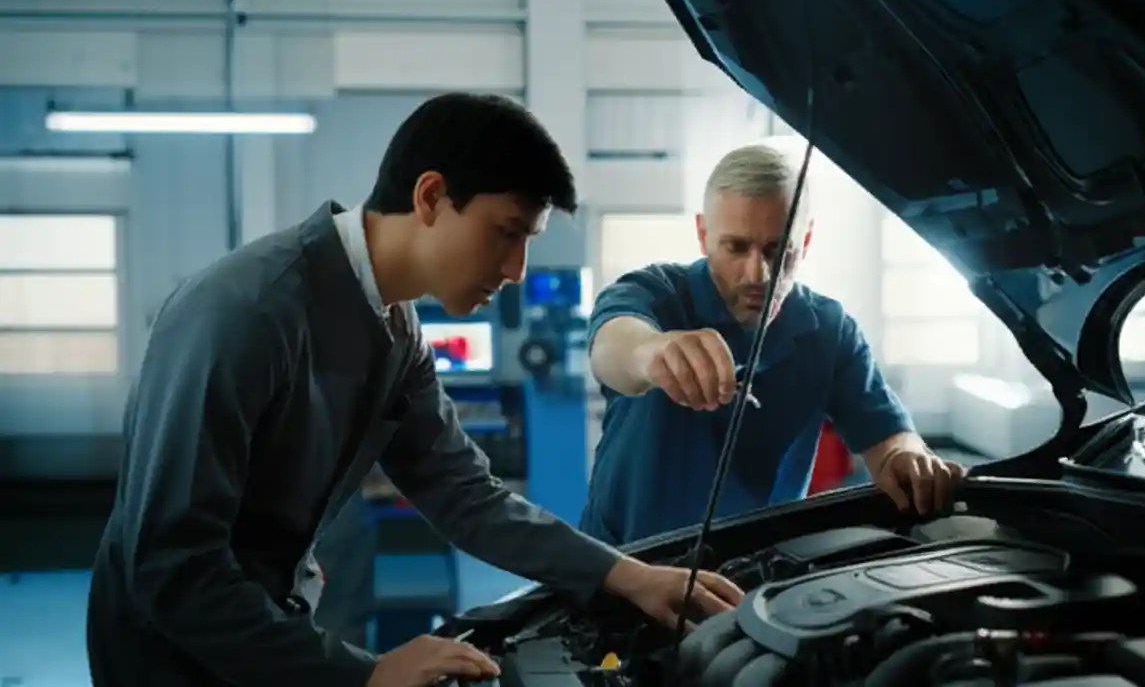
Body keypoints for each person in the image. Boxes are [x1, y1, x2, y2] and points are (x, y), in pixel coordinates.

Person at [86, 93, 744, 687]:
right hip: (172, 656)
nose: (517, 271)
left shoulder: (397, 329)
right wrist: (362, 674)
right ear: (430, 197)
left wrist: (627, 575)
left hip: (270, 627)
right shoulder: (242, 313)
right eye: (506, 232)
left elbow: (466, 496)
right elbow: (171, 567)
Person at [581, 142, 967, 546]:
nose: (758, 274)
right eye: (736, 247)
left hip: (756, 568)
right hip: (628, 562)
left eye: (777, 249)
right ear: (703, 233)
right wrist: (652, 352)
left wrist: (906, 457)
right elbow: (613, 346)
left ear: (808, 240)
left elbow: (888, 437)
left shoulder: (828, 330)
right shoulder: (653, 293)